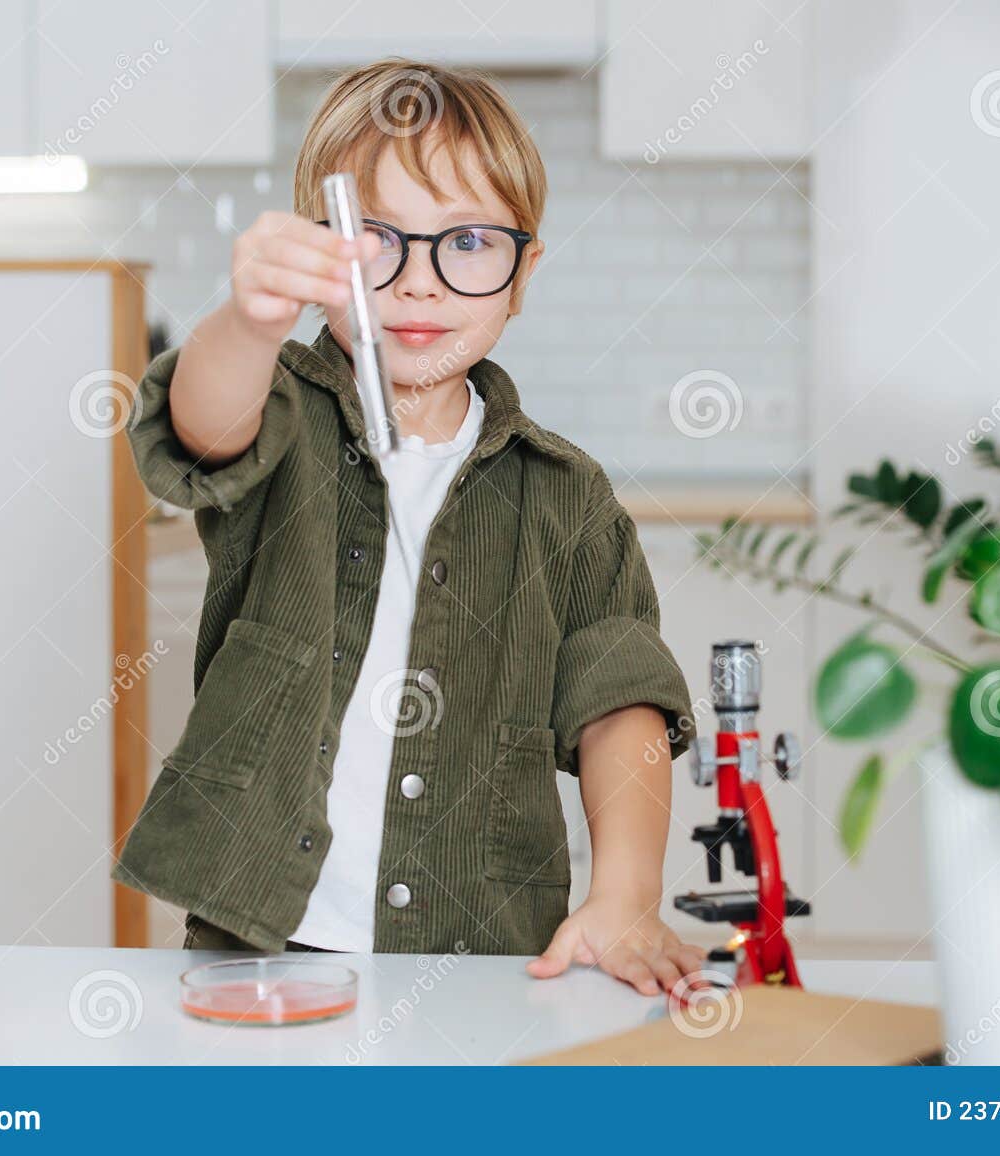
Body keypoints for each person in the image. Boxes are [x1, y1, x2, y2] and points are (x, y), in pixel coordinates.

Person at [113, 59, 703, 995]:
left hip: (486, 943)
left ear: (523, 274)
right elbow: (202, 424)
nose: (420, 285)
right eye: (379, 240)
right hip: (264, 940)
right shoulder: (278, 411)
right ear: (322, 255)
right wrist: (248, 318)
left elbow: (619, 702)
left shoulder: (570, 496)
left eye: (468, 242)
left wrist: (627, 892)